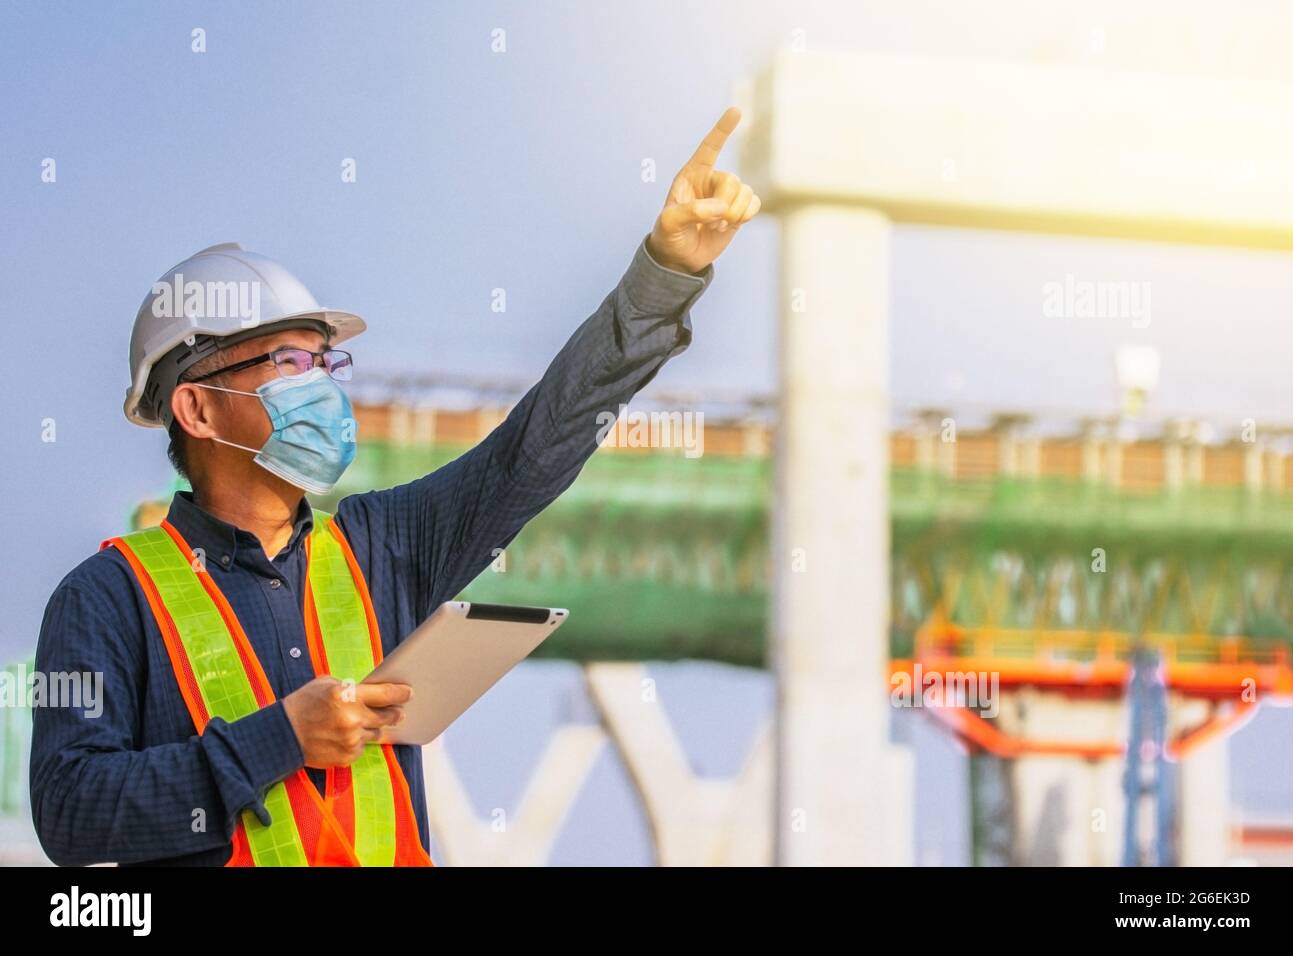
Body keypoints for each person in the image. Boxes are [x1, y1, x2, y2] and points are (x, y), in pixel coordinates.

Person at [29, 107, 760, 866]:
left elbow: (540, 441)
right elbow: (71, 812)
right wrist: (279, 738)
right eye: (288, 363)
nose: (322, 387)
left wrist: (664, 276)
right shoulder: (106, 597)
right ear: (197, 406)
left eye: (325, 363)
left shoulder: (383, 548)